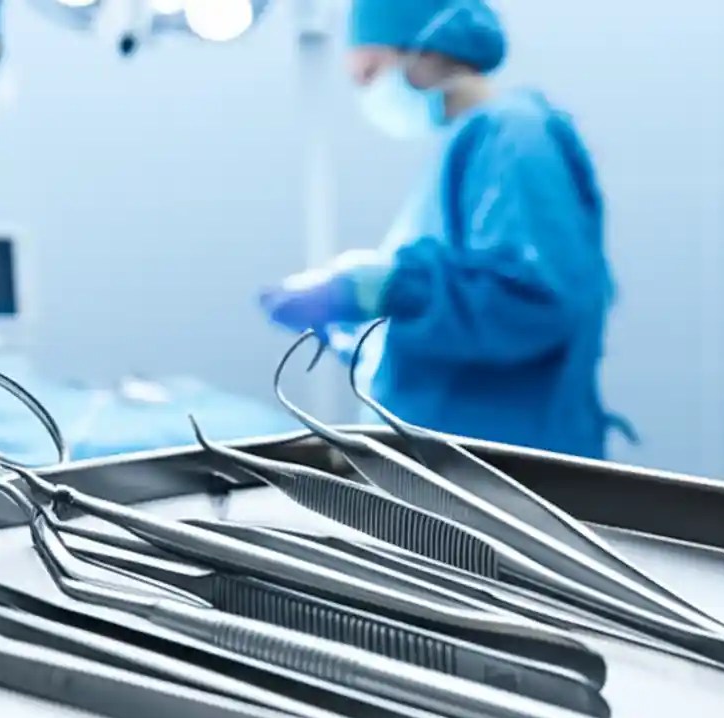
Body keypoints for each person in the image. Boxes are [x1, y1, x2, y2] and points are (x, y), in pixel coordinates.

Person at [259, 0, 633, 459]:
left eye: (370, 73)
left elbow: (535, 302)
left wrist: (383, 288)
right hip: (461, 472)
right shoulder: (466, 146)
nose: (366, 93)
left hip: (512, 475)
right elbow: (446, 320)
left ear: (429, 49)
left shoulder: (517, 136)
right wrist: (356, 327)